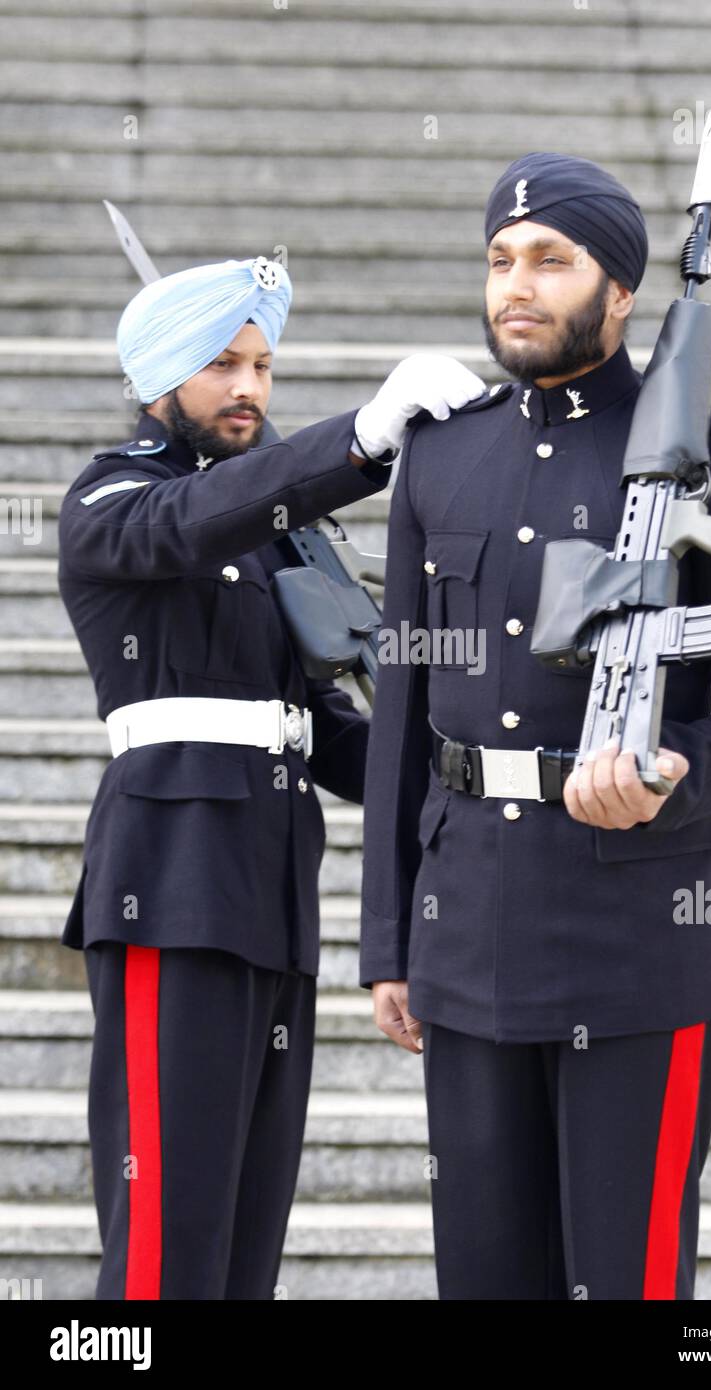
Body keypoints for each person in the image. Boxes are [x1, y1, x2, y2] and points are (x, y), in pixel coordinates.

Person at [359, 153, 711, 1300]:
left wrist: (678, 768)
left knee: (625, 1277)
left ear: (619, 293)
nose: (515, 284)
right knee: (481, 1274)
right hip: (464, 932)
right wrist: (388, 939)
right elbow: (401, 712)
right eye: (498, 260)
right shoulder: (442, 452)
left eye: (549, 262)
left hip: (636, 936)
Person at [58, 253, 484, 1299]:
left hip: (272, 898)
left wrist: (461, 785)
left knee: (246, 1240)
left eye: (260, 364)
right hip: (171, 890)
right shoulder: (113, 499)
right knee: (168, 1237)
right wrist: (354, 440)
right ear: (159, 377)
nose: (248, 388)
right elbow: (190, 522)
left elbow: (330, 731)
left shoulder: (268, 537)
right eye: (220, 365)